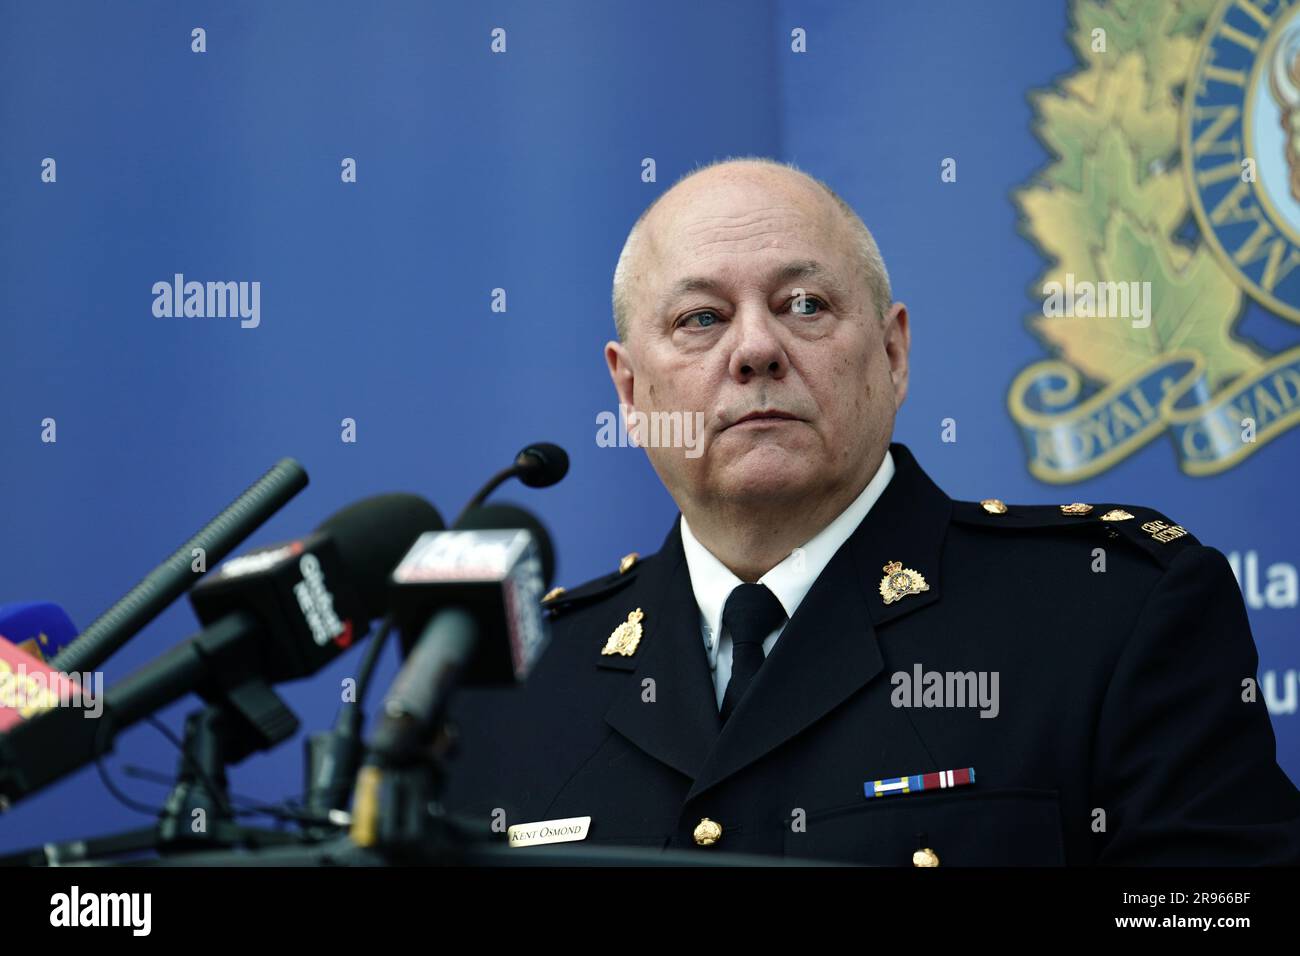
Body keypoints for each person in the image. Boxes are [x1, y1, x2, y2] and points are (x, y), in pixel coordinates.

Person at [438, 157, 1300, 865]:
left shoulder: (1111, 610)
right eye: (701, 318)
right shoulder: (510, 684)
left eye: (804, 305)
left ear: (892, 352)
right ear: (631, 390)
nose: (756, 350)